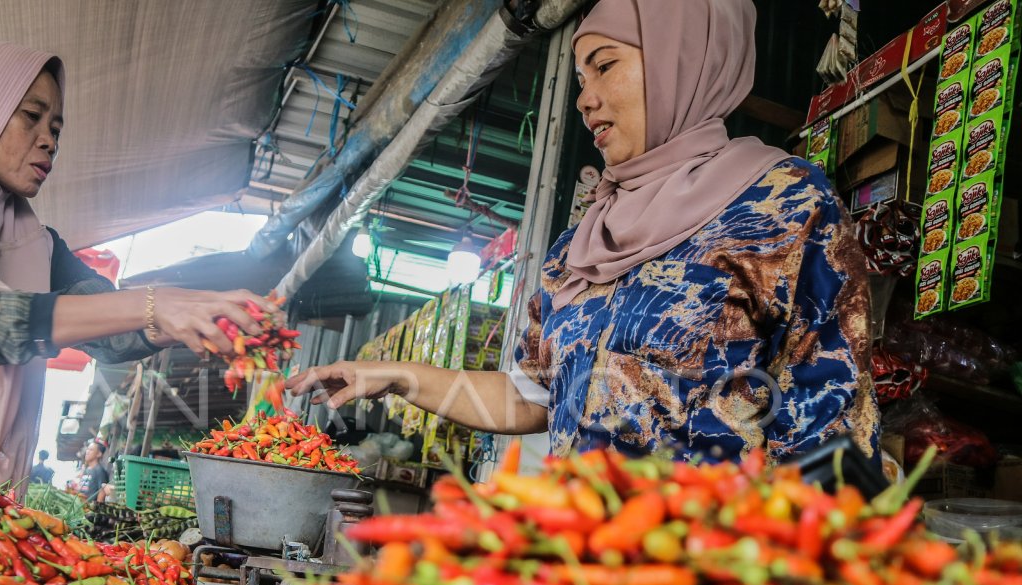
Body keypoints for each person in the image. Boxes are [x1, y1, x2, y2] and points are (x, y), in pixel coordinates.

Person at [288, 0, 880, 466]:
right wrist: (399, 376)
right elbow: (531, 395)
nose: (585, 99)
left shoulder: (782, 202)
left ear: (684, 58)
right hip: (577, 573)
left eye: (606, 65)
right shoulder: (580, 246)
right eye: (579, 76)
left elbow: (832, 413)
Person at [0, 42, 279, 487]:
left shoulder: (34, 244)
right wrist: (155, 305)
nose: (49, 141)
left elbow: (112, 330)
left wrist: (198, 315)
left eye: (56, 128)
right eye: (31, 117)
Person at [74, 439, 110, 504]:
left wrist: (96, 510)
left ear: (99, 454)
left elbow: (102, 492)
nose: (87, 452)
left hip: (89, 509)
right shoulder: (86, 470)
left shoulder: (100, 471)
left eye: (91, 450)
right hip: (80, 506)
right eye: (87, 449)